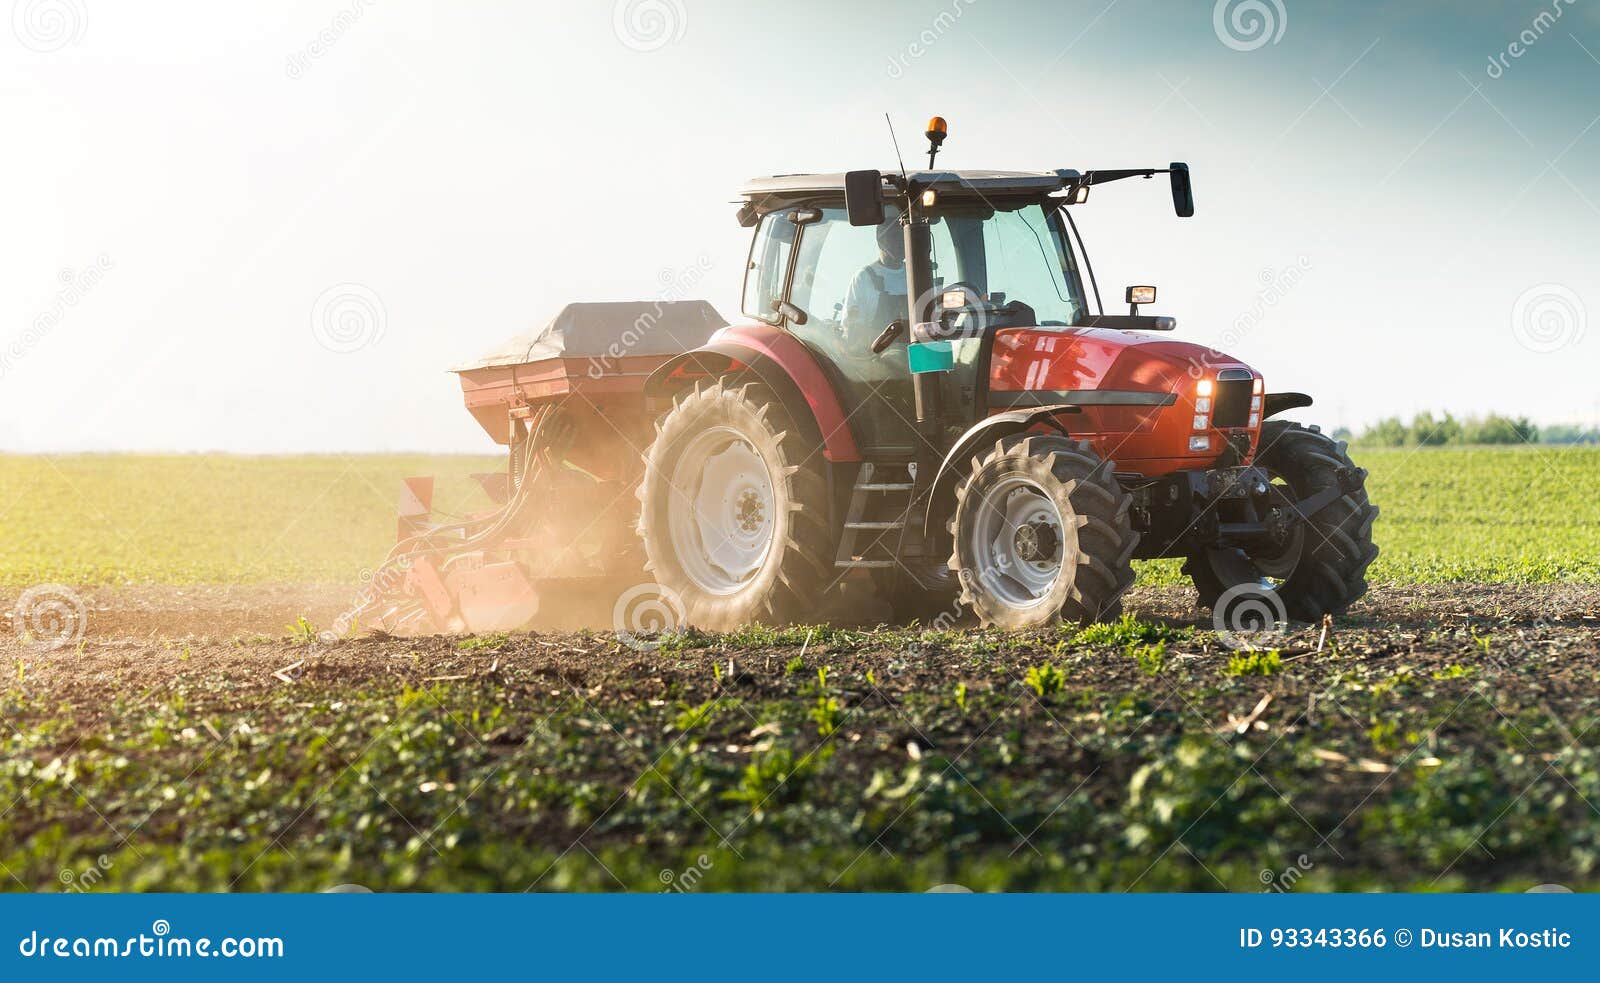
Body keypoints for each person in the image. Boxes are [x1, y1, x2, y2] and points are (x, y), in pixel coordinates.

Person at [842, 219, 907, 347]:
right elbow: (853, 329)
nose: (900, 243)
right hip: (877, 355)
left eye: (903, 238)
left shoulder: (915, 274)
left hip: (916, 350)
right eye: (894, 238)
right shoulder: (864, 278)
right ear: (881, 240)